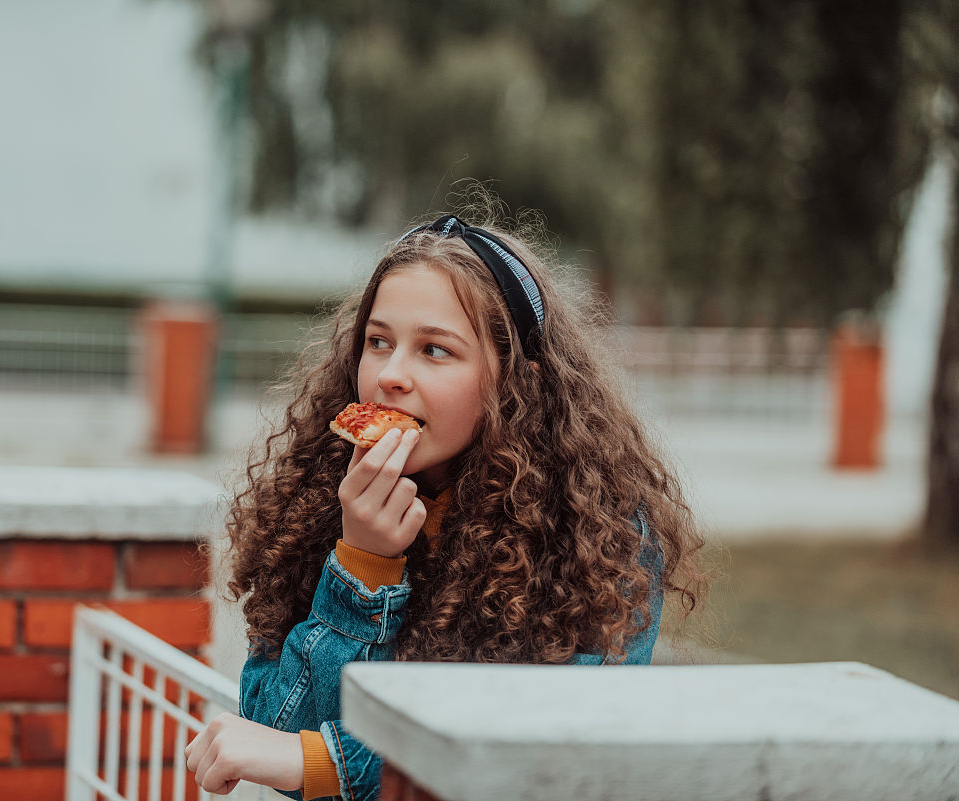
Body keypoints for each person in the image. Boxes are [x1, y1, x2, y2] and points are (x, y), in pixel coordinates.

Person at [185, 212, 705, 800]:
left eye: (435, 350)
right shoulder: (318, 494)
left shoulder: (603, 531)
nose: (391, 376)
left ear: (515, 379)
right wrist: (361, 567)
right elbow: (272, 732)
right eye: (378, 342)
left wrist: (328, 760)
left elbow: (543, 740)